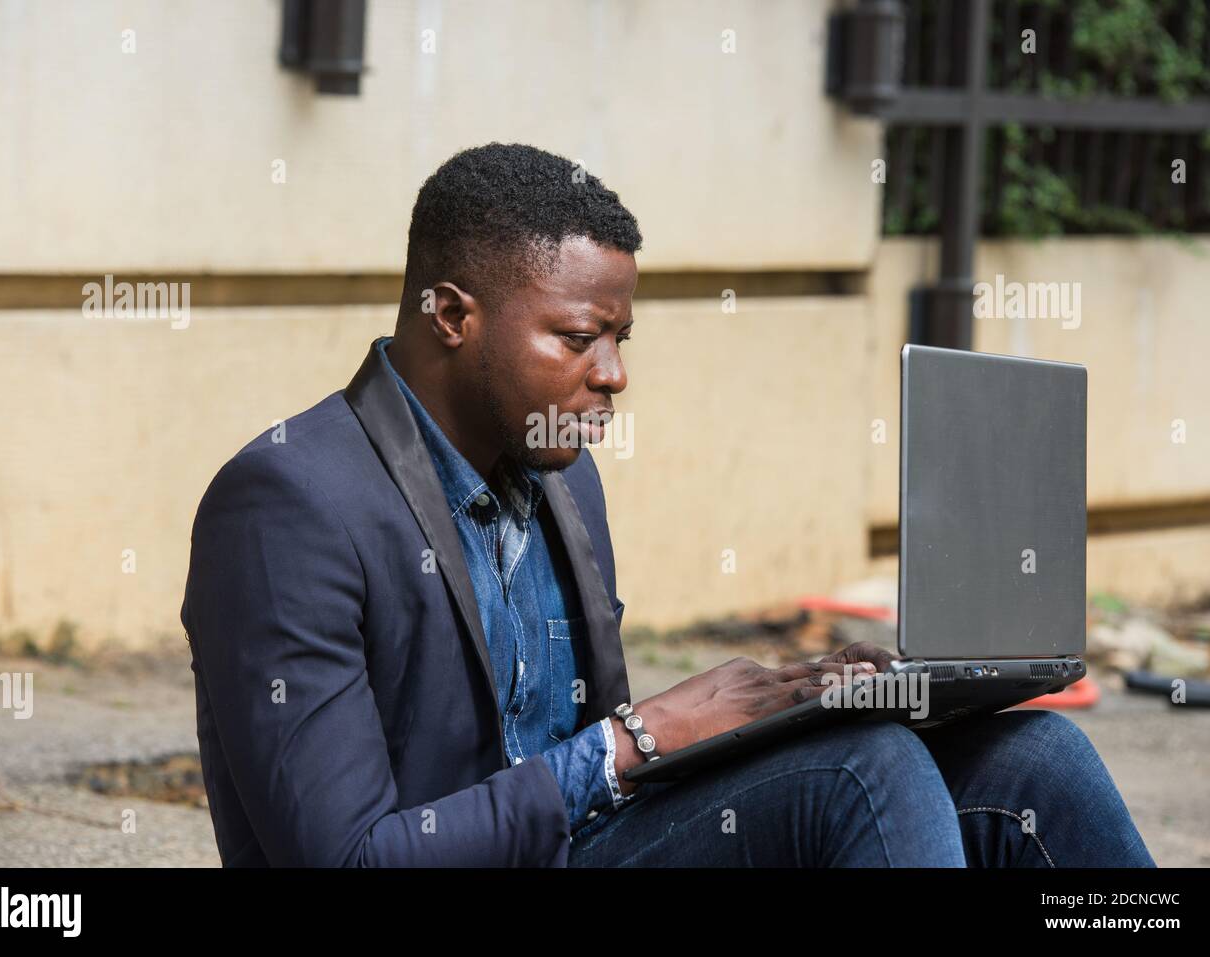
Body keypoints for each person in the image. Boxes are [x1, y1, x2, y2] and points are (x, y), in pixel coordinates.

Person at [181, 142, 1153, 867]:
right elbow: (344, 858)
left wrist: (780, 707)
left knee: (1032, 758)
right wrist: (640, 737)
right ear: (449, 316)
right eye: (576, 338)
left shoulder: (562, 481)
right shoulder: (289, 503)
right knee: (865, 771)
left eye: (621, 338)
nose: (612, 376)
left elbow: (588, 776)